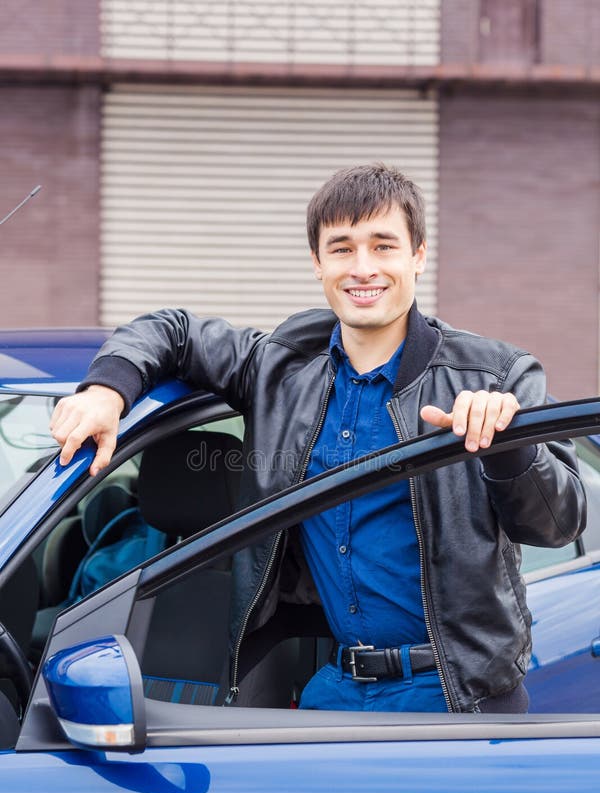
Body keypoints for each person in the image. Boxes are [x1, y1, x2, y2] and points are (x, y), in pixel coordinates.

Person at [50, 163, 586, 714]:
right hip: (336, 690)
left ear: (418, 256)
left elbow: (558, 523)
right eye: (342, 248)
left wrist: (510, 447)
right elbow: (173, 331)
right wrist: (105, 393)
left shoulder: (496, 377)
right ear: (317, 262)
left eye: (383, 246)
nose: (363, 268)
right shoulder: (281, 366)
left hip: (459, 700)